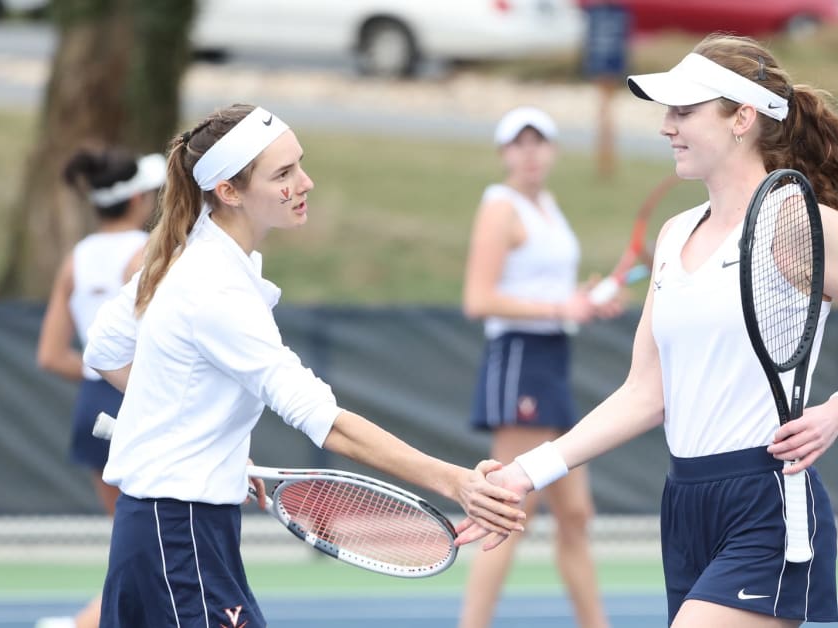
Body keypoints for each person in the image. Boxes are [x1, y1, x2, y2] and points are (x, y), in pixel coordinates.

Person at [458, 35, 838, 627]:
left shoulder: (803, 225)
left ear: (743, 118)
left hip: (765, 498)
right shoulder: (675, 234)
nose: (665, 126)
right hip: (684, 503)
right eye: (667, 111)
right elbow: (644, 393)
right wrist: (526, 472)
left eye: (684, 111)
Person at [80, 103, 526, 628]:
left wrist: (194, 443)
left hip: (164, 527)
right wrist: (457, 483)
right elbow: (328, 423)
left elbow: (104, 351)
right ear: (229, 191)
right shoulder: (216, 289)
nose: (305, 182)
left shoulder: (190, 256)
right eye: (284, 174)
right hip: (179, 533)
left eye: (300, 165)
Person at [458, 106, 620, 628]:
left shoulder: (547, 205)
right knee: (506, 510)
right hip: (519, 360)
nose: (529, 153)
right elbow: (478, 299)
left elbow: (545, 289)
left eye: (538, 142)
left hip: (552, 358)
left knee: (574, 514)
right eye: (518, 143)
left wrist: (582, 301)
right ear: (505, 153)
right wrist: (559, 309)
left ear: (550, 149)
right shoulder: (500, 206)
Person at [33, 147, 165, 628]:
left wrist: (100, 377)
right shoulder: (150, 252)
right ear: (136, 199)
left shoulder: (78, 258)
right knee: (151, 542)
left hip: (95, 405)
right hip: (140, 405)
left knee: (135, 540)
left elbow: (51, 355)